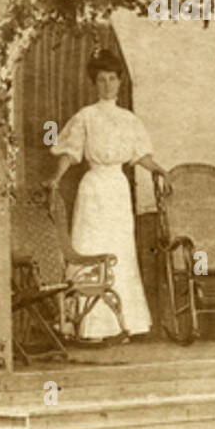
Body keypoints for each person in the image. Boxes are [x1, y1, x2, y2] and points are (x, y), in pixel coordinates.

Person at [43, 49, 168, 341]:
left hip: (118, 191)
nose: (108, 85)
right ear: (95, 83)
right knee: (89, 245)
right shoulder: (85, 116)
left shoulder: (129, 120)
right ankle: (87, 324)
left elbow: (140, 156)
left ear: (120, 82)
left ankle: (125, 323)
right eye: (102, 80)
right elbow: (70, 153)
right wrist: (56, 179)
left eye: (112, 79)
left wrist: (160, 171)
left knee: (120, 251)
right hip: (93, 189)